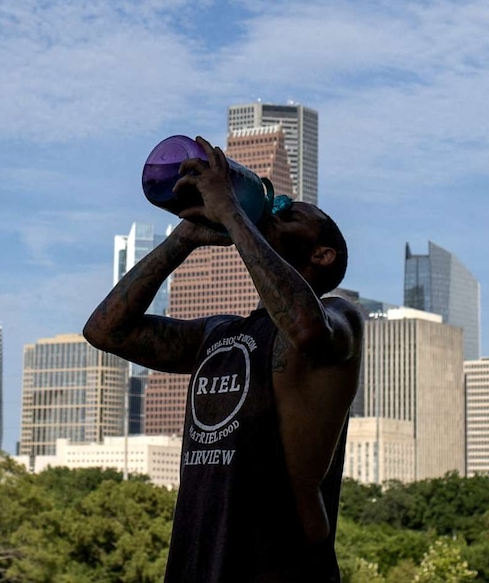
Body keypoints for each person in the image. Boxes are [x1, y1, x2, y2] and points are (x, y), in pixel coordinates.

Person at [84, 136, 363, 582]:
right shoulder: (218, 333)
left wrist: (233, 212)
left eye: (289, 211)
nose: (275, 209)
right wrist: (183, 239)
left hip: (279, 566)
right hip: (198, 561)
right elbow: (105, 331)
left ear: (321, 254)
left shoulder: (339, 315)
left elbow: (306, 330)